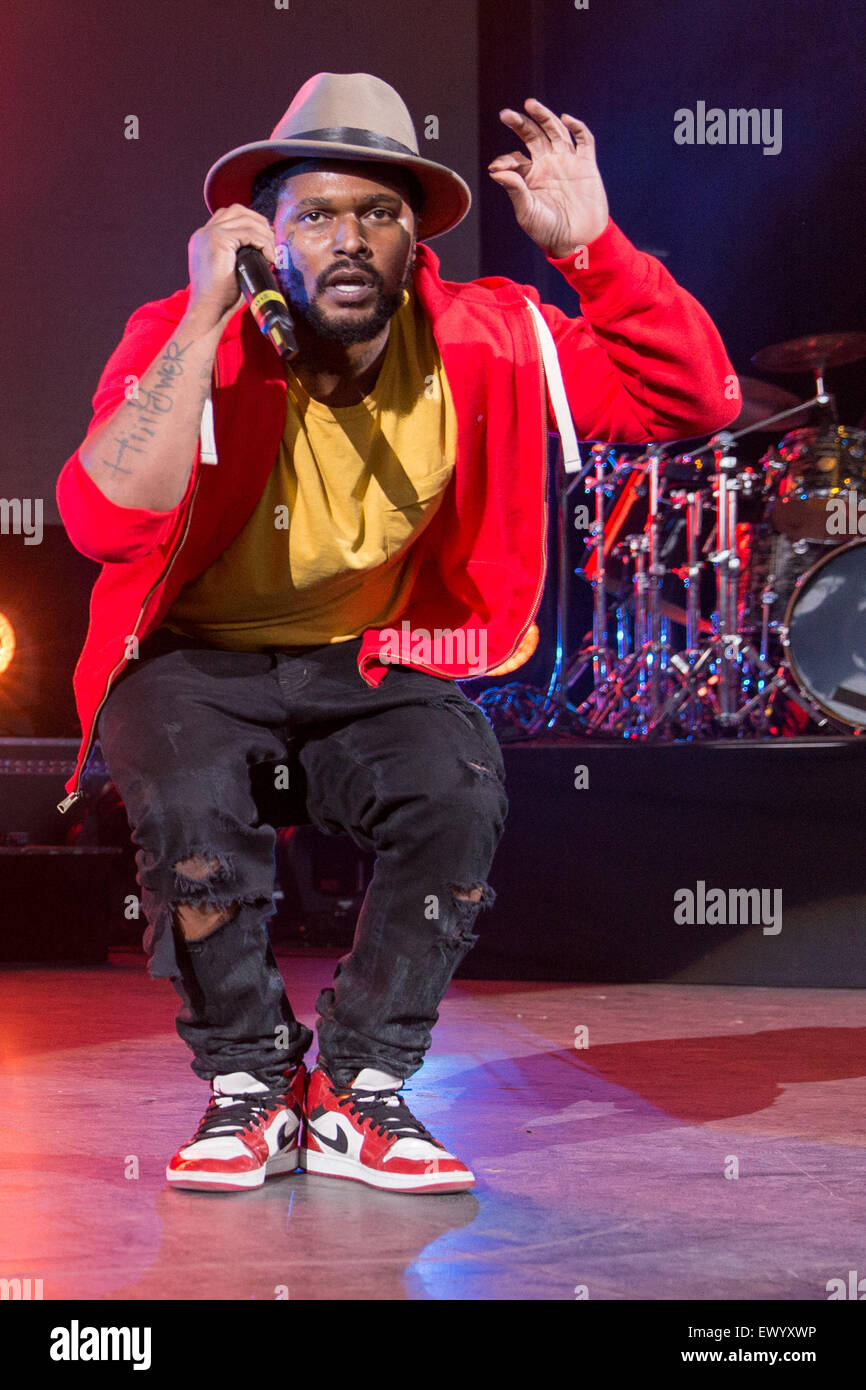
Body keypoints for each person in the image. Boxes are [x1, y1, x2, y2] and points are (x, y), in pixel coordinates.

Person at [57, 72, 737, 1195]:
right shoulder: (192, 338)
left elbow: (696, 401)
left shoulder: (491, 337)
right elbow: (101, 520)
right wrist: (197, 317)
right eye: (313, 214)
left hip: (362, 659)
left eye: (376, 214)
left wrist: (595, 250)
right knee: (186, 798)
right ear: (259, 236)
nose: (347, 239)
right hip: (192, 657)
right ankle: (248, 1084)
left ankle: (361, 1086)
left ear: (412, 239)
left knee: (455, 788)